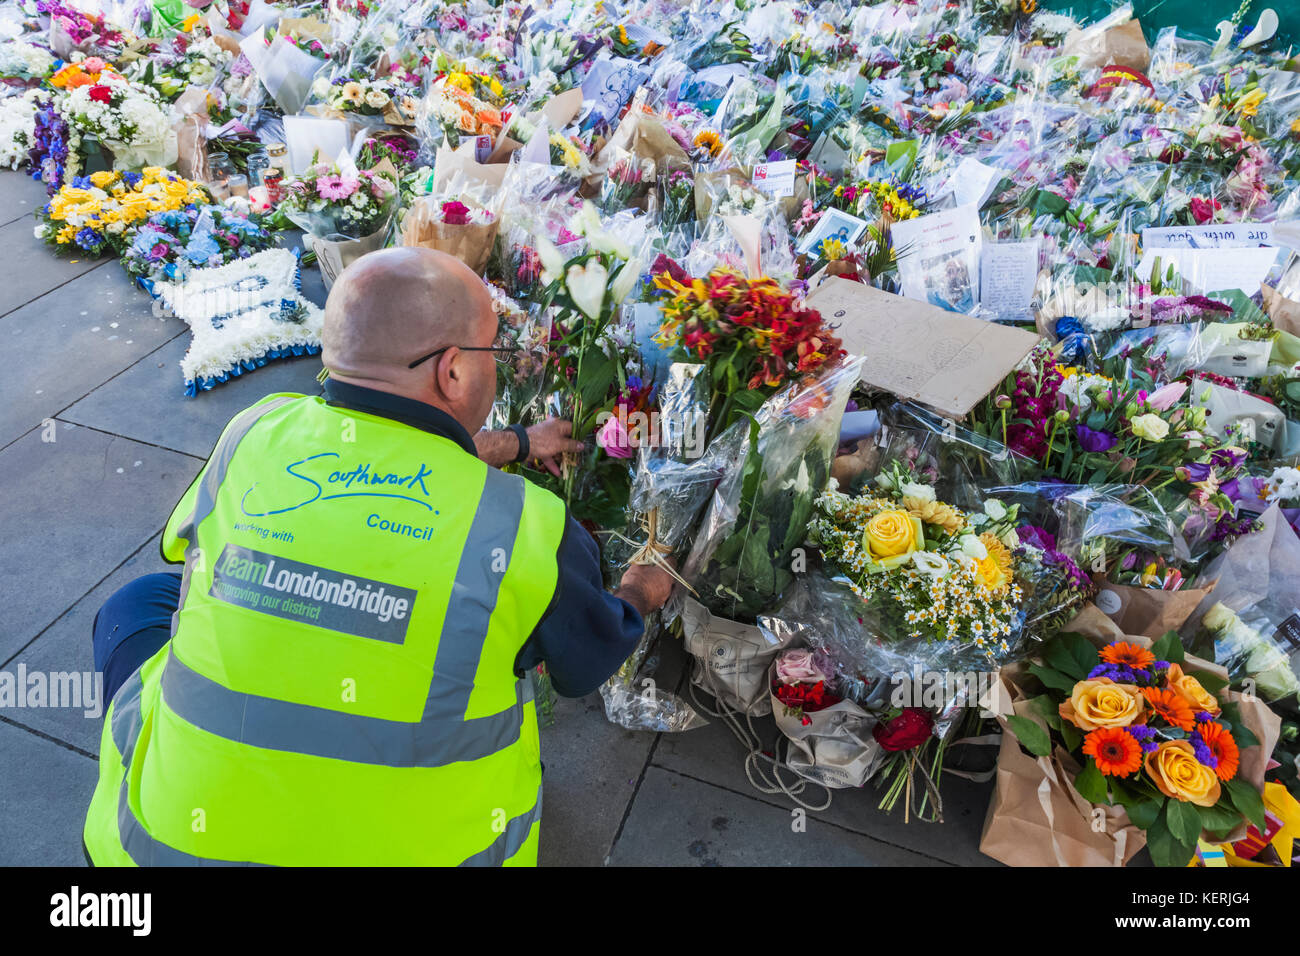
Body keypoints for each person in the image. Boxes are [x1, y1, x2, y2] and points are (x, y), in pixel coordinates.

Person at [83, 247, 676, 866]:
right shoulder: (524, 524)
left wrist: (516, 442)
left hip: (162, 854)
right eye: (495, 354)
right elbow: (590, 658)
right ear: (452, 372)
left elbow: (362, 466)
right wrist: (643, 587)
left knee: (142, 603)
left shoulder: (252, 434)